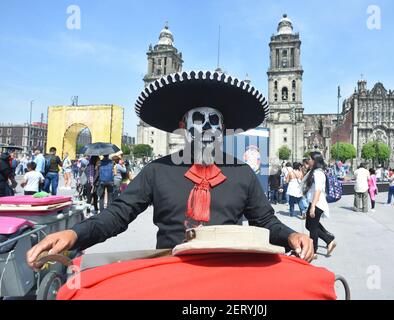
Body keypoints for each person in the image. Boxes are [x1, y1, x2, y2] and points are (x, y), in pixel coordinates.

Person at [27, 70, 313, 267]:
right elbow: (117, 215)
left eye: (215, 121)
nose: (207, 128)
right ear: (183, 127)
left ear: (224, 129)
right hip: (168, 272)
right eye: (198, 119)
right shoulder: (157, 171)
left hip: (227, 275)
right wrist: (74, 234)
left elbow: (266, 222)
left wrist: (292, 236)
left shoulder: (241, 174)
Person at [303, 152, 336, 260]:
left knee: (312, 228)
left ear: (315, 160)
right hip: (314, 203)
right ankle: (329, 240)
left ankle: (314, 251)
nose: (308, 161)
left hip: (317, 203)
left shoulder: (318, 173)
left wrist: (313, 206)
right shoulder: (315, 172)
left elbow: (318, 190)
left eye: (310, 159)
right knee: (310, 225)